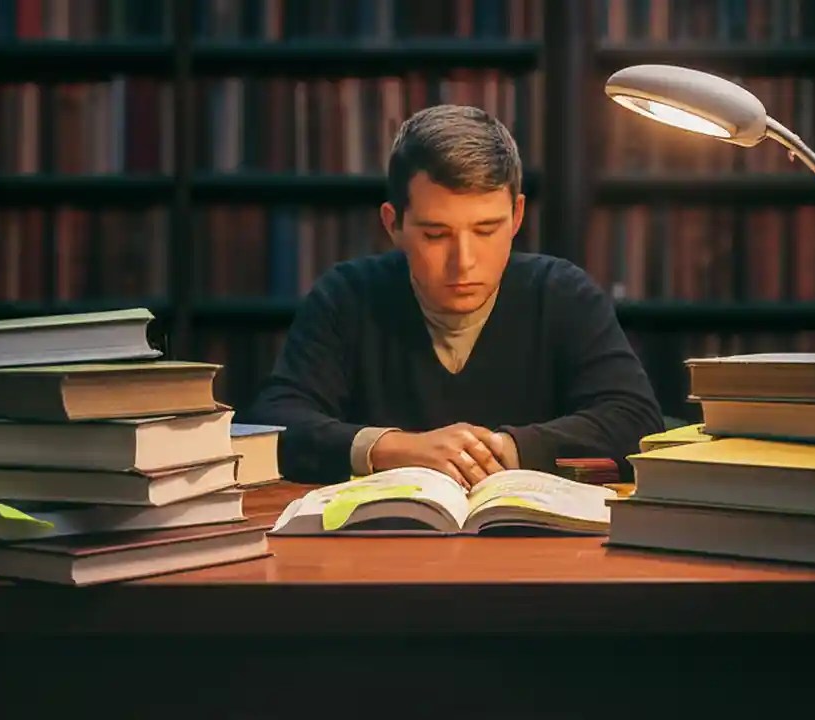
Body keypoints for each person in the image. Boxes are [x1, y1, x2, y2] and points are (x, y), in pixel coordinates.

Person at [244, 104, 664, 488]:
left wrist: (501, 451)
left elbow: (636, 421)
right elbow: (273, 423)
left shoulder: (561, 293)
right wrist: (395, 449)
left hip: (535, 548)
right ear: (394, 224)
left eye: (485, 231)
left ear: (517, 216)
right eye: (435, 234)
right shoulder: (347, 296)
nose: (463, 262)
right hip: (379, 551)